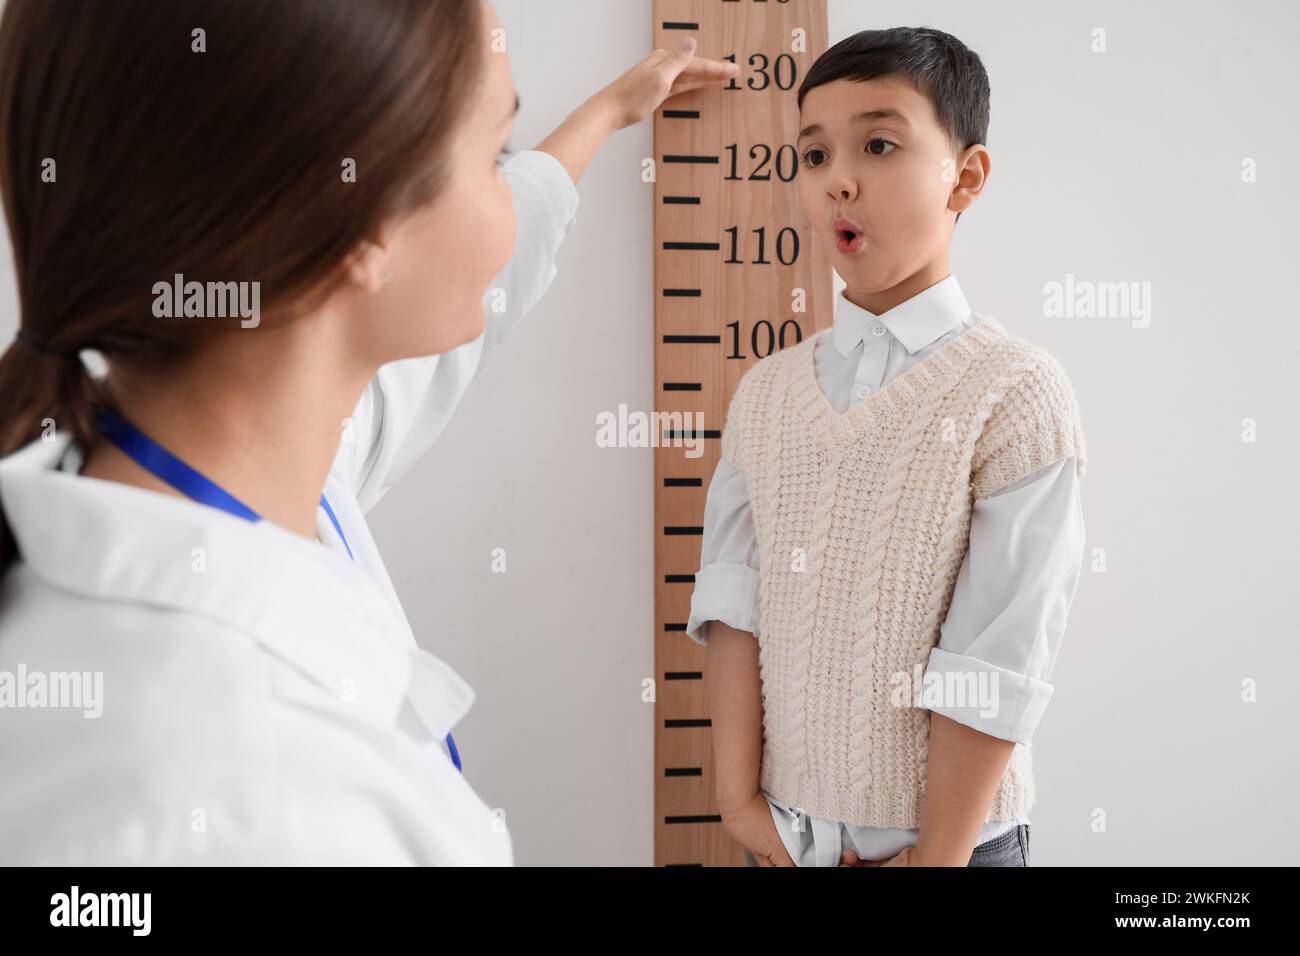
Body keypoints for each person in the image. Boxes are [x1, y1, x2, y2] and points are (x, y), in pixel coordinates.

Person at [0, 0, 737, 864]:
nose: (507, 187)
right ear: (363, 228)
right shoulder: (246, 798)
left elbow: (477, 272)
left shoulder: (235, 458)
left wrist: (606, 114)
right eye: (494, 153)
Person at [687, 27, 1087, 867]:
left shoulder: (1015, 391)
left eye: (878, 144)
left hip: (954, 852)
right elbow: (732, 598)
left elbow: (998, 656)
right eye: (813, 154)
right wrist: (734, 803)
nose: (839, 179)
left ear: (965, 177)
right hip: (788, 844)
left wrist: (935, 861)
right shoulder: (765, 392)